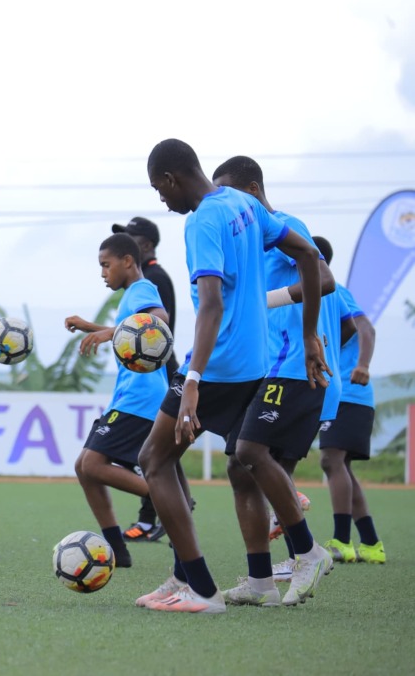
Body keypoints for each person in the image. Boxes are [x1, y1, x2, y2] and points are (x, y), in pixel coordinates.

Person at [134, 139, 330, 614]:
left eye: (159, 193)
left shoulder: (202, 221)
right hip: (256, 364)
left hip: (218, 365)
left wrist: (194, 378)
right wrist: (309, 337)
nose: (163, 202)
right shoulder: (245, 204)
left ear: (169, 179)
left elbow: (212, 303)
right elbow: (308, 254)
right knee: (244, 462)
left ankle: (200, 588)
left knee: (155, 460)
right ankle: (288, 560)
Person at [210, 157, 338, 606]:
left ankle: (308, 553)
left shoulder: (284, 225)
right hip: (262, 368)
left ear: (253, 187)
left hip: (293, 366)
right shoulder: (247, 244)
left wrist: (268, 299)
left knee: (249, 452)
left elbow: (323, 278)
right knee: (238, 468)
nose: (228, 205)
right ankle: (260, 582)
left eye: (232, 193)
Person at [64, 233, 169, 569]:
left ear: (127, 261)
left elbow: (158, 320)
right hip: (128, 395)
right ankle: (117, 551)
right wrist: (91, 328)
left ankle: (165, 497)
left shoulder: (142, 289)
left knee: (92, 464)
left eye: (106, 265)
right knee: (84, 468)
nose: (103, 273)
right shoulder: (129, 296)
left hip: (141, 396)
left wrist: (106, 332)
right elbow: (130, 329)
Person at [313, 236, 386, 565]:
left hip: (351, 392)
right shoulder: (314, 295)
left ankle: (342, 540)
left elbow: (366, 329)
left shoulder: (335, 291)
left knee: (331, 460)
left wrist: (363, 366)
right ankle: (370, 543)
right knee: (339, 464)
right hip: (341, 393)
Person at [111, 216, 177, 543]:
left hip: (157, 372)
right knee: (161, 452)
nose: (125, 243)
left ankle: (157, 513)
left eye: (130, 238)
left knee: (153, 454)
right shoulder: (140, 281)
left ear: (145, 246)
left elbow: (155, 325)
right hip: (151, 371)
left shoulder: (153, 279)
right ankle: (168, 507)